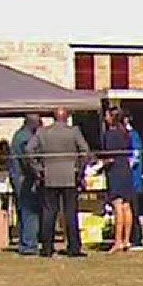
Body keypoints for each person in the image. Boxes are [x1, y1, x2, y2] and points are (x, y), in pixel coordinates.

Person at [27, 107, 92, 257]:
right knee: (70, 213)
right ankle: (74, 247)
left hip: (49, 175)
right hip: (70, 176)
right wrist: (79, 169)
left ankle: (47, 248)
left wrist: (38, 168)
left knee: (49, 212)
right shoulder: (74, 132)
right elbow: (85, 151)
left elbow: (29, 149)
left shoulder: (42, 132)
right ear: (66, 117)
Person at [100, 108, 137, 252]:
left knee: (118, 206)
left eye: (107, 115)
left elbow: (108, 155)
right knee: (126, 206)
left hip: (115, 170)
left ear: (112, 118)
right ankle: (127, 240)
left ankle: (118, 241)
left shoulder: (109, 135)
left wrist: (101, 164)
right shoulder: (126, 133)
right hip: (126, 169)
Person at [8, 114, 42, 255]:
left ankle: (24, 242)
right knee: (30, 211)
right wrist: (37, 172)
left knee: (23, 211)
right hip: (24, 178)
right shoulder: (25, 138)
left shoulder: (19, 135)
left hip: (18, 176)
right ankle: (29, 244)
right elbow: (27, 159)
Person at [125, 117, 143, 251]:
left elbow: (135, 156)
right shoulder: (126, 135)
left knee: (134, 209)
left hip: (133, 179)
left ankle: (137, 239)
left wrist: (124, 166)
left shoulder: (133, 136)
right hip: (127, 179)